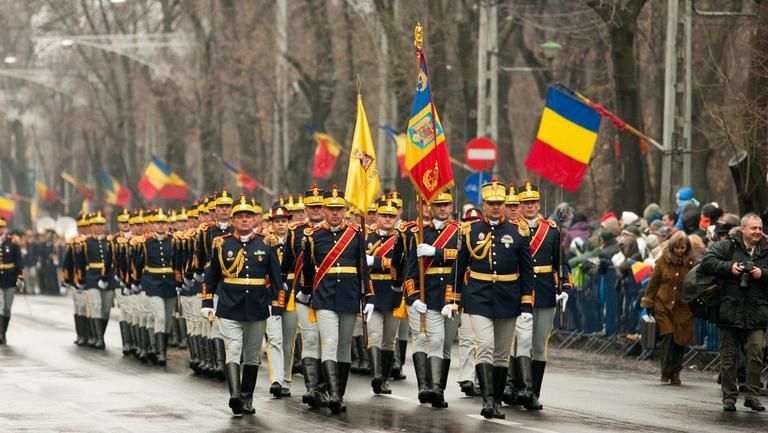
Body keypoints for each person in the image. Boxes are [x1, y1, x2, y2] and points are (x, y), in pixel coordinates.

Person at [450, 179, 534, 419]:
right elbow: (459, 266)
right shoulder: (470, 230)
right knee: (484, 346)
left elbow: (527, 271)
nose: (496, 207)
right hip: (478, 296)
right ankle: (487, 401)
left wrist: (527, 302)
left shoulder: (518, 231)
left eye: (500, 203)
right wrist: (452, 299)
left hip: (509, 296)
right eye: (491, 203)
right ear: (483, 204)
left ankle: (496, 400)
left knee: (501, 353)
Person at [202, 195, 286, 416]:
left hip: (257, 306)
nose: (245, 220)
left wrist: (278, 305)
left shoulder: (266, 243)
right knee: (234, 349)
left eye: (248, 216)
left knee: (251, 354)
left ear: (255, 219)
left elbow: (277, 278)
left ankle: (247, 398)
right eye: (240, 217)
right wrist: (207, 301)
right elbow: (212, 276)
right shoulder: (222, 244)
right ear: (233, 220)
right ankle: (235, 395)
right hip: (230, 306)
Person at [298, 186, 371, 415]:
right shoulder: (313, 236)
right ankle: (334, 395)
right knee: (329, 342)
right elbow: (309, 270)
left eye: (339, 209)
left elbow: (362, 267)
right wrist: (305, 292)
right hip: (325, 296)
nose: (335, 214)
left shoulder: (355, 234)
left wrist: (368, 295)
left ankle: (339, 390)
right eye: (331, 209)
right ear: (325, 211)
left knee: (343, 346)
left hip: (349, 295)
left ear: (345, 210)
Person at [509, 181, 571, 411]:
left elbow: (562, 262)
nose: (530, 206)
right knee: (519, 342)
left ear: (539, 203)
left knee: (538, 344)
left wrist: (565, 287)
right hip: (519, 292)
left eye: (533, 202)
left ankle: (533, 392)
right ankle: (516, 388)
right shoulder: (513, 228)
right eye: (525, 202)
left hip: (544, 291)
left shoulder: (552, 230)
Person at [398, 191, 460, 408]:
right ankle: (430, 387)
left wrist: (437, 252)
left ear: (452, 206)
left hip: (453, 295)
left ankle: (438, 389)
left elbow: (463, 257)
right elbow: (410, 270)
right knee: (433, 340)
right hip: (429, 295)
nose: (442, 209)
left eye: (446, 205)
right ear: (430, 208)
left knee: (445, 344)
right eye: (438, 205)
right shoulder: (419, 234)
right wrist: (413, 296)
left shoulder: (460, 231)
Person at [700, 213, 768, 412]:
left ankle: (752, 395)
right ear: (742, 229)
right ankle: (729, 397)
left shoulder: (766, 249)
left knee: (755, 353)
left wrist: (761, 273)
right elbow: (707, 262)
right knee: (728, 357)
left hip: (757, 311)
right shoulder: (728, 246)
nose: (757, 232)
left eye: (759, 228)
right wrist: (730, 267)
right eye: (753, 228)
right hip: (730, 309)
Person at [640, 232, 696, 385]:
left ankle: (676, 371)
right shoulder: (662, 262)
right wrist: (648, 301)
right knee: (668, 336)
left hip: (683, 308)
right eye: (677, 248)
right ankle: (665, 371)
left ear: (687, 248)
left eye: (682, 248)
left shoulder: (693, 263)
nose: (679, 251)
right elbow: (654, 282)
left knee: (680, 340)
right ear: (672, 248)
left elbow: (696, 284)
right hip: (663, 305)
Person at [364, 198, 400, 396]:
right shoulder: (366, 237)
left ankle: (384, 379)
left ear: (396, 218)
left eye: (391, 216)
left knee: (389, 339)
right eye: (384, 215)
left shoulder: (401, 238)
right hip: (373, 291)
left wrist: (376, 260)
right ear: (376, 216)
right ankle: (376, 375)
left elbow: (400, 262)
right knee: (374, 335)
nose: (387, 219)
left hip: (393, 291)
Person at [133, 209, 177, 366]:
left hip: (170, 284)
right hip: (153, 284)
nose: (160, 226)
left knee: (168, 321)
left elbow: (177, 262)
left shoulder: (173, 241)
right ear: (152, 225)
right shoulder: (146, 243)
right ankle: (160, 353)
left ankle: (162, 349)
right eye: (158, 223)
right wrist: (137, 282)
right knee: (159, 317)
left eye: (163, 223)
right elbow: (138, 263)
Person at [264, 204, 293, 398]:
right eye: (277, 222)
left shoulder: (297, 240)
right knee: (274, 338)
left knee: (289, 340)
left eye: (284, 221)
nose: (281, 225)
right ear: (271, 224)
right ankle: (276, 380)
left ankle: (287, 380)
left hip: (292, 292)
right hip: (271, 293)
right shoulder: (265, 242)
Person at [76, 211, 114, 350]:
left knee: (106, 309)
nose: (98, 227)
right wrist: (80, 280)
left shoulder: (110, 241)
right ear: (91, 226)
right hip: (91, 277)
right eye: (96, 225)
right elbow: (80, 263)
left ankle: (99, 334)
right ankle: (99, 338)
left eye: (101, 224)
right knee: (96, 306)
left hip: (108, 277)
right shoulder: (86, 243)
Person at [0, 217, 24, 344]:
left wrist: (20, 277)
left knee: (7, 308)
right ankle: (0, 334)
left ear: (4, 228)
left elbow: (18, 261)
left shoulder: (12, 242)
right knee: (0, 306)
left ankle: (4, 332)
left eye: (1, 227)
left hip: (9, 279)